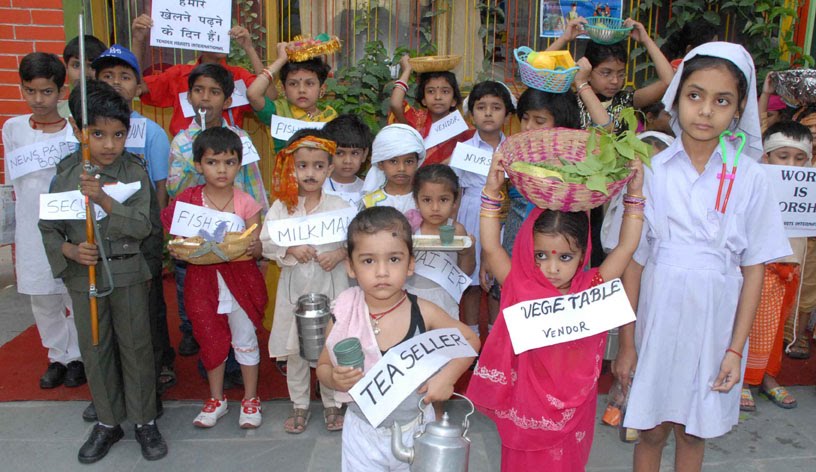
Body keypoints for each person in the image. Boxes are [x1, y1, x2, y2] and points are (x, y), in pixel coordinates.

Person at [613, 42, 791, 471]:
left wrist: (735, 349)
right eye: (695, 96)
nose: (706, 111)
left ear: (739, 108)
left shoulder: (751, 178)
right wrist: (626, 344)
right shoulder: (653, 169)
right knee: (651, 428)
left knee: (694, 430)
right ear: (676, 97)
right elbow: (634, 264)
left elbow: (754, 270)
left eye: (721, 100)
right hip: (658, 315)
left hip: (716, 321)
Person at [467, 130, 645, 470]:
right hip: (525, 414)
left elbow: (626, 248)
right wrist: (492, 190)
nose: (551, 268)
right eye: (541, 256)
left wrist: (635, 195)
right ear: (526, 252)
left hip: (574, 414)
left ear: (583, 254)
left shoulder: (590, 289)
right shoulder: (520, 284)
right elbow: (490, 246)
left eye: (564, 257)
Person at [39, 81, 167, 463]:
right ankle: (108, 422)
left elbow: (146, 225)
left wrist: (104, 200)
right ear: (80, 132)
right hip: (85, 277)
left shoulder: (135, 172)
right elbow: (49, 228)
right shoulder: (65, 176)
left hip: (127, 274)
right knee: (96, 348)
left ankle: (145, 420)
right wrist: (69, 250)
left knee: (137, 347)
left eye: (118, 135)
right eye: (97, 134)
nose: (109, 144)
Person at [316, 206, 480, 471]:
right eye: (368, 261)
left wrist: (447, 378)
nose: (382, 271)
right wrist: (334, 378)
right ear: (351, 266)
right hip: (362, 433)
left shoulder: (423, 311)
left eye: (394, 259)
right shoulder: (343, 313)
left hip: (416, 429)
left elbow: (471, 340)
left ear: (411, 263)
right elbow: (323, 366)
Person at [161, 127, 267, 429]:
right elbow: (177, 239)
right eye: (212, 162)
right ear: (198, 165)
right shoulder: (189, 201)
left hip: (240, 281)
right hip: (202, 282)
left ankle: (250, 398)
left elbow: (253, 245)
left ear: (239, 164)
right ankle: (217, 399)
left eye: (229, 162)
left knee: (244, 339)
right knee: (209, 338)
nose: (221, 169)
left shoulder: (246, 202)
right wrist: (180, 250)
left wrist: (255, 246)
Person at [167, 62, 268, 367]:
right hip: (197, 242)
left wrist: (258, 238)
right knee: (202, 303)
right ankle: (209, 354)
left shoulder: (240, 140)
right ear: (189, 97)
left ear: (227, 101)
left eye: (214, 92)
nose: (205, 99)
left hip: (233, 245)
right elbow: (174, 190)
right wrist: (192, 167)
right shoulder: (183, 141)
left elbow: (253, 188)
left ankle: (239, 363)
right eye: (198, 91)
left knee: (237, 301)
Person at [92, 44, 176, 404]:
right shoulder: (84, 130)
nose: (115, 84)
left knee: (148, 306)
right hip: (98, 238)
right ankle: (112, 385)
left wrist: (152, 234)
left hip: (141, 234)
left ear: (138, 86)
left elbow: (160, 189)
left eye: (124, 77)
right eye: (107, 77)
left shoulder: (151, 132)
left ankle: (156, 368)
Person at [2, 52, 84, 390]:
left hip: (67, 227)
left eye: (46, 92)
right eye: (30, 91)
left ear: (61, 92)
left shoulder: (74, 134)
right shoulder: (13, 128)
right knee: (42, 296)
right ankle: (57, 356)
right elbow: (14, 182)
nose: (38, 99)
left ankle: (79, 355)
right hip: (30, 226)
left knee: (73, 294)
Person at [260, 129, 350, 434]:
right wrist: (290, 248)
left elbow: (355, 241)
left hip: (332, 287)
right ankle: (299, 404)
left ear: (329, 167)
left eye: (318, 166)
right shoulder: (281, 207)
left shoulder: (339, 206)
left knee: (331, 347)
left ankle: (331, 404)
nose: (310, 173)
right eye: (302, 166)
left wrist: (339, 253)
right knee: (296, 349)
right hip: (295, 289)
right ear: (291, 167)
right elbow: (265, 241)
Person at [740, 121, 812, 411]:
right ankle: (744, 379)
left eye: (800, 158)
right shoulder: (753, 181)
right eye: (783, 156)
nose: (792, 164)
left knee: (779, 325)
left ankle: (768, 377)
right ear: (766, 158)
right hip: (761, 267)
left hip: (792, 265)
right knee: (751, 323)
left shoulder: (808, 186)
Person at [130, 14, 266, 136]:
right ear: (197, 37)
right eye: (198, 90)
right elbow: (138, 87)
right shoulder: (179, 74)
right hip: (185, 154)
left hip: (225, 155)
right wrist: (138, 40)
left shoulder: (238, 76)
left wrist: (249, 48)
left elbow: (268, 97)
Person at [548, 17, 674, 132]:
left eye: (621, 74)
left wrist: (646, 40)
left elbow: (668, 82)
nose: (615, 81)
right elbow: (538, 72)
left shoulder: (625, 100)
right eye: (606, 73)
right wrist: (564, 38)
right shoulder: (571, 102)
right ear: (588, 71)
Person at [406, 164, 476, 319]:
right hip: (410, 297)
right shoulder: (409, 227)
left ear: (455, 201)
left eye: (443, 199)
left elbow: (465, 273)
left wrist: (468, 252)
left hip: (444, 298)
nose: (435, 207)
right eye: (427, 200)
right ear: (416, 201)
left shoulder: (457, 230)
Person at [248, 42, 338, 153]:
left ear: (322, 88)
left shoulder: (331, 117)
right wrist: (281, 60)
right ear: (283, 88)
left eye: (309, 83)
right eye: (293, 84)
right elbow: (253, 94)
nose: (301, 90)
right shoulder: (278, 111)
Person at [388, 55, 474, 166]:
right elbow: (395, 104)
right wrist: (407, 71)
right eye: (431, 91)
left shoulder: (464, 130)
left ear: (454, 100)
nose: (438, 97)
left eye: (445, 91)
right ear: (423, 100)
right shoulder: (415, 121)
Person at [360, 124, 426, 214]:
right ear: (380, 164)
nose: (401, 168)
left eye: (409, 161)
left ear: (417, 163)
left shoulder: (426, 198)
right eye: (393, 161)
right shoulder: (369, 203)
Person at [322, 114, 374, 208]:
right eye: (339, 153)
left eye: (355, 153)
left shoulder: (367, 191)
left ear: (364, 154)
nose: (347, 161)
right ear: (327, 152)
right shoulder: (317, 186)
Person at [59, 34, 107, 117]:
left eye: (91, 66)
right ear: (67, 68)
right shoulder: (56, 114)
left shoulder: (114, 112)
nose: (84, 73)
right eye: (76, 65)